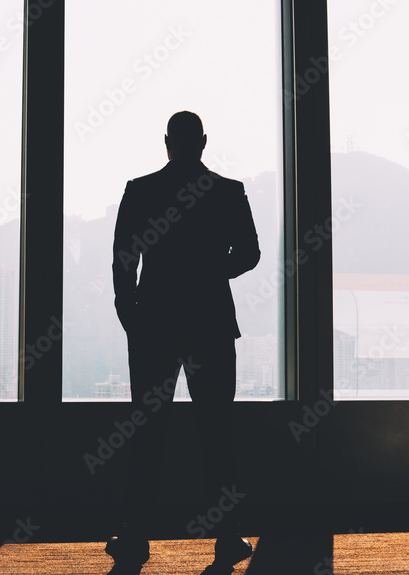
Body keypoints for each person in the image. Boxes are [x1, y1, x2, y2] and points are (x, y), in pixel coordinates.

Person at [107, 111, 260, 573]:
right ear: (204, 142)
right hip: (210, 321)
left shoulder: (141, 190)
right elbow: (249, 253)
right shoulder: (229, 192)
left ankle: (135, 536)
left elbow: (123, 256)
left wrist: (127, 306)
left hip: (154, 322)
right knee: (217, 432)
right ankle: (227, 536)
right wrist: (214, 272)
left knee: (147, 431)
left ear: (167, 142)